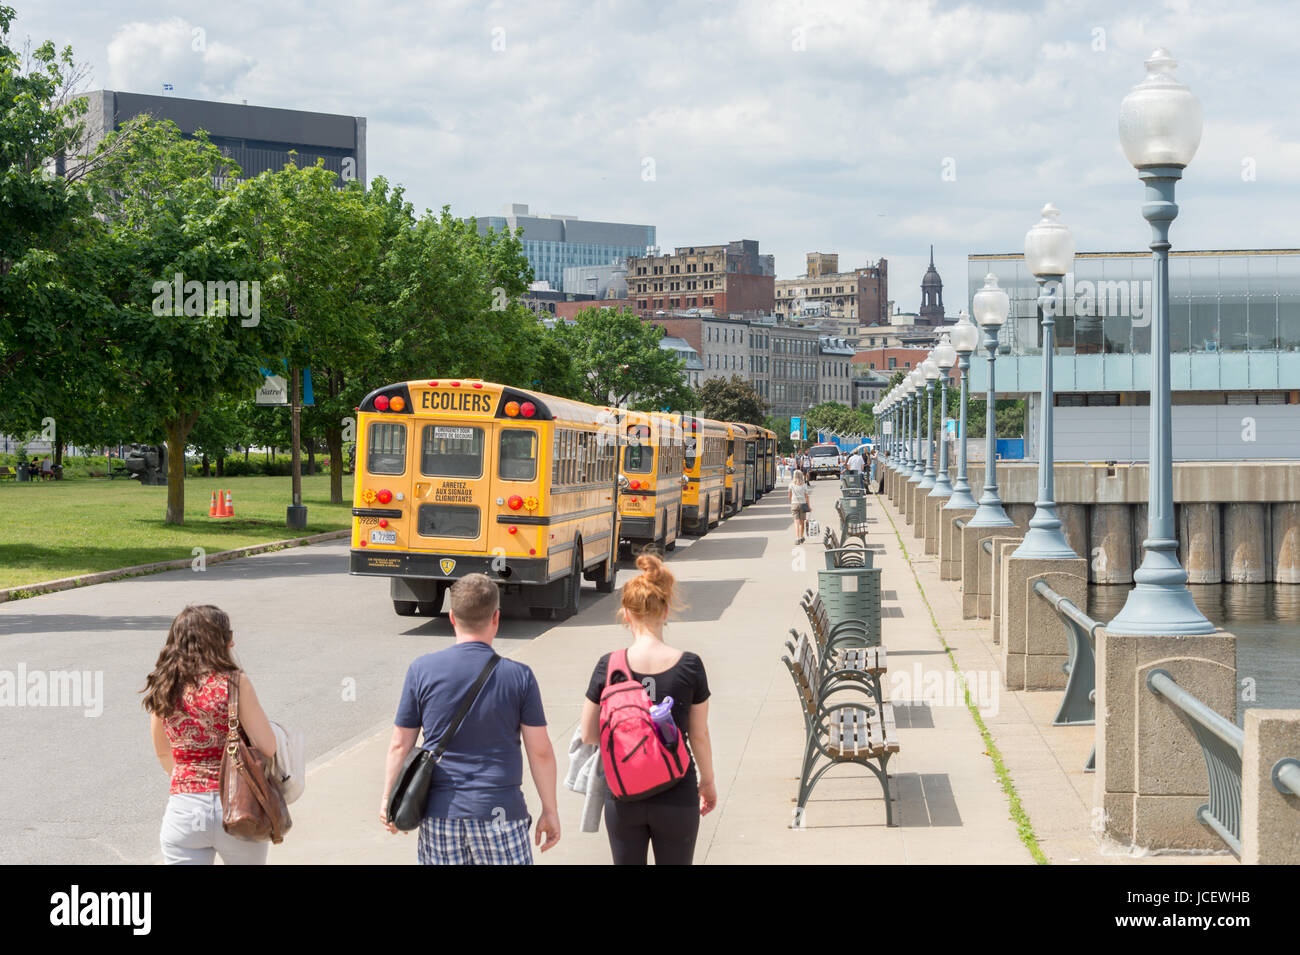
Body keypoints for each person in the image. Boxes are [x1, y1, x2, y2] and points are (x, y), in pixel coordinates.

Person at [382, 574, 560, 864]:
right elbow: (540, 752)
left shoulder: (422, 670)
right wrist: (549, 810)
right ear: (496, 618)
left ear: (452, 617)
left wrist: (389, 800)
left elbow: (400, 746)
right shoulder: (519, 676)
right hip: (501, 812)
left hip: (441, 816)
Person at [581, 554, 715, 865]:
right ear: (666, 610)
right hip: (677, 789)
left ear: (625, 614)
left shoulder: (608, 666)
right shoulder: (690, 665)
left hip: (624, 791)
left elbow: (589, 734)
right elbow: (699, 735)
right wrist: (707, 782)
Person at [143, 605, 278, 865]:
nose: (233, 641)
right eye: (228, 634)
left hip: (184, 809)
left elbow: (162, 751)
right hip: (238, 808)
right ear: (217, 640)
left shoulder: (165, 684)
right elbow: (267, 747)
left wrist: (190, 782)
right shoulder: (235, 682)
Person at [789, 469, 812, 544]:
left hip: (794, 504)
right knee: (802, 522)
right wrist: (809, 506)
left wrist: (792, 501)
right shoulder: (804, 485)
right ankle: (801, 537)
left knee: (796, 522)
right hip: (803, 504)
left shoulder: (791, 485)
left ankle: (797, 538)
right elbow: (807, 497)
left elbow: (789, 495)